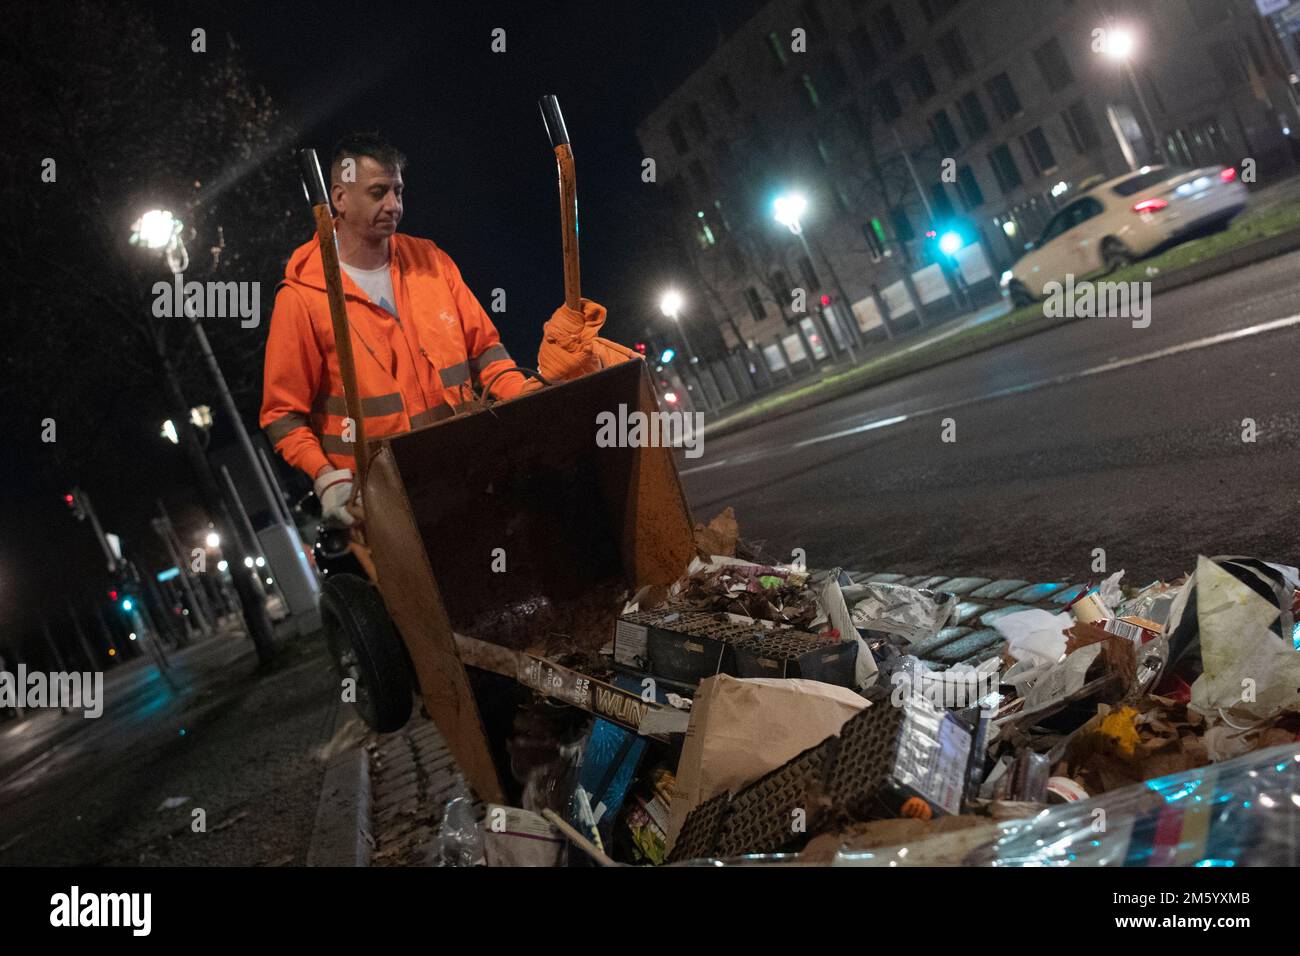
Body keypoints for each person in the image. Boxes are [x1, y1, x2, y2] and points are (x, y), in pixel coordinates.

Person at [260, 132, 636, 527]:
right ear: (338, 199)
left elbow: (488, 356)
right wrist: (325, 477)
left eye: (398, 191)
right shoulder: (303, 298)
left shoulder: (432, 263)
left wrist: (532, 401)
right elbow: (282, 415)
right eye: (377, 193)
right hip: (382, 500)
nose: (394, 205)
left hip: (471, 473)